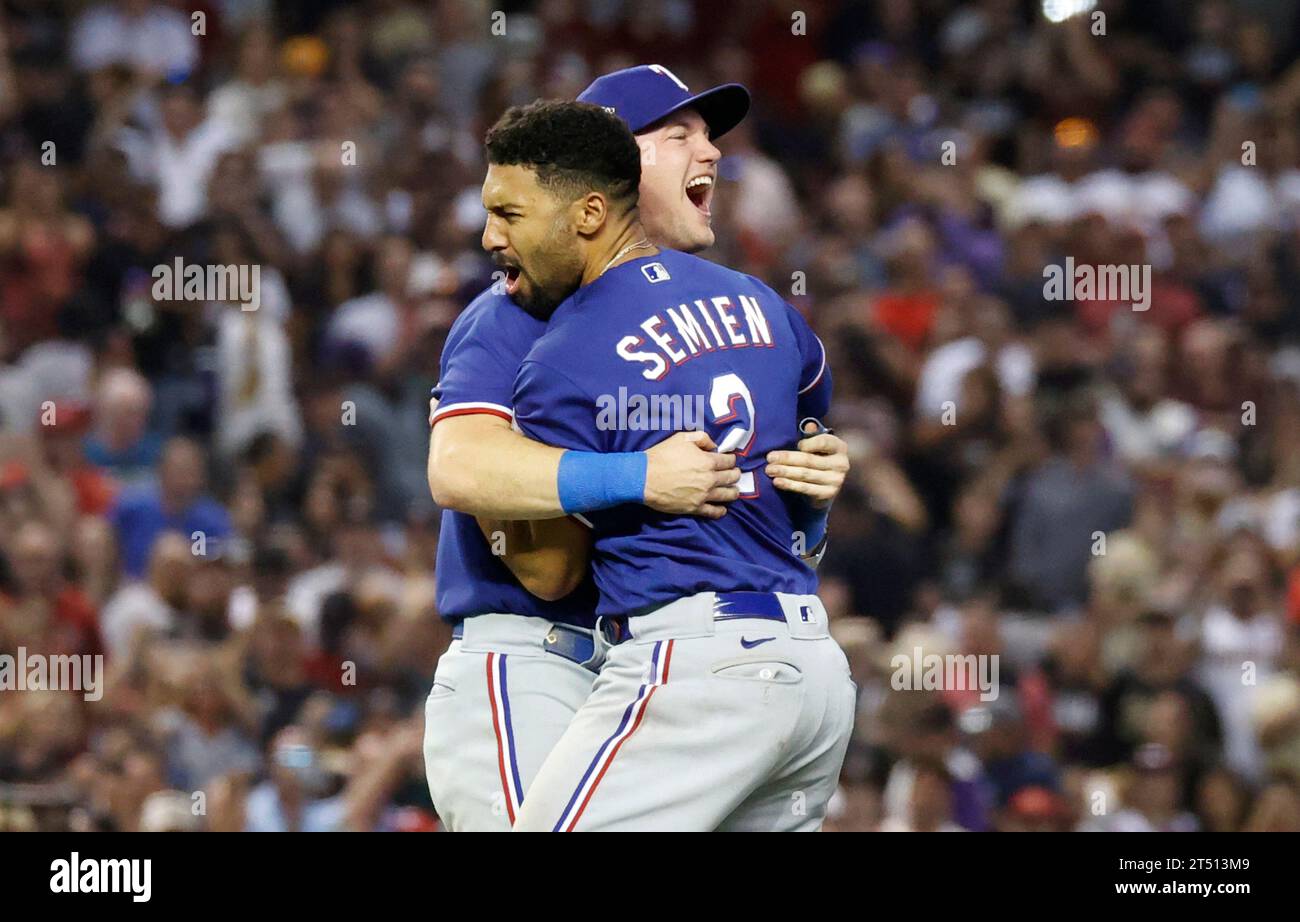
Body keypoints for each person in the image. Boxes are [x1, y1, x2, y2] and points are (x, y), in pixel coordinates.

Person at [422, 66, 850, 831]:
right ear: (608, 169)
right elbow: (459, 467)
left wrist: (810, 488)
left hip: (653, 666)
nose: (711, 151)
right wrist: (641, 475)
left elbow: (777, 504)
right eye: (679, 134)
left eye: (710, 134)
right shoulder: (516, 310)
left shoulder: (719, 304)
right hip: (536, 658)